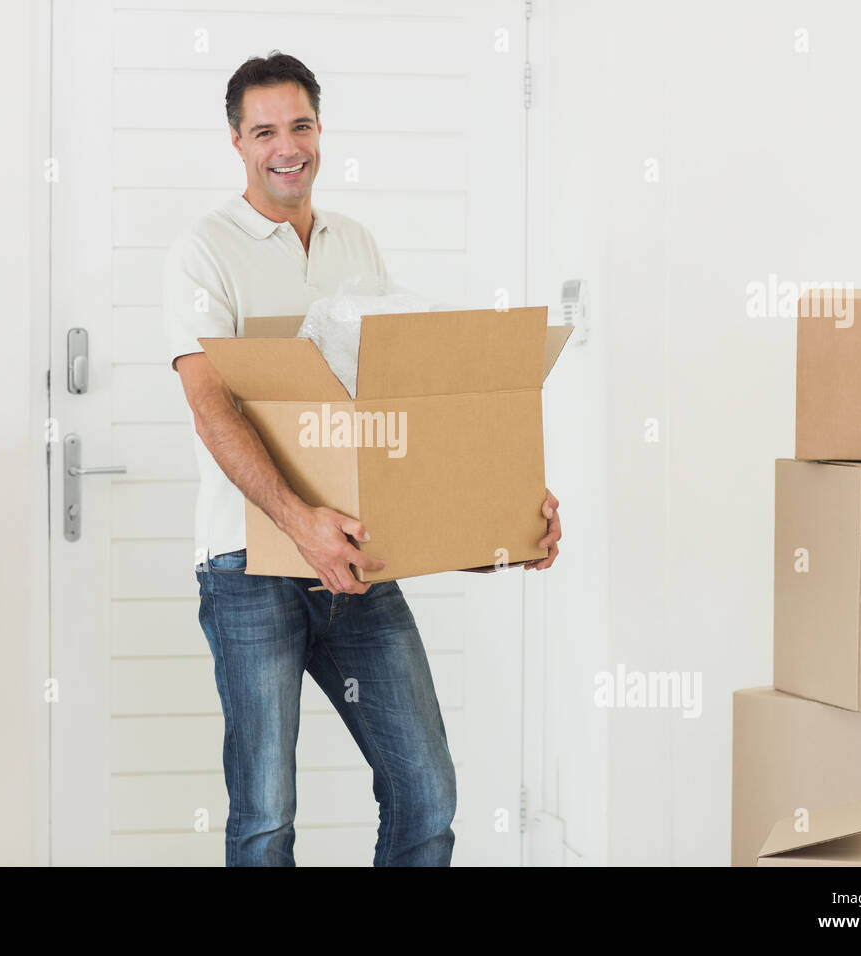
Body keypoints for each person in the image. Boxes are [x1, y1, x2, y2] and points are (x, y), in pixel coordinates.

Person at [162, 50, 562, 866]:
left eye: (301, 125)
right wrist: (298, 522)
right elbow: (212, 408)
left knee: (426, 792)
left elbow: (401, 408)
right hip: (249, 564)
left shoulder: (356, 246)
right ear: (236, 141)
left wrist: (496, 522)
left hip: (357, 563)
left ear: (320, 130)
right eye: (264, 129)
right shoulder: (203, 251)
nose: (287, 146)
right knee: (265, 816)